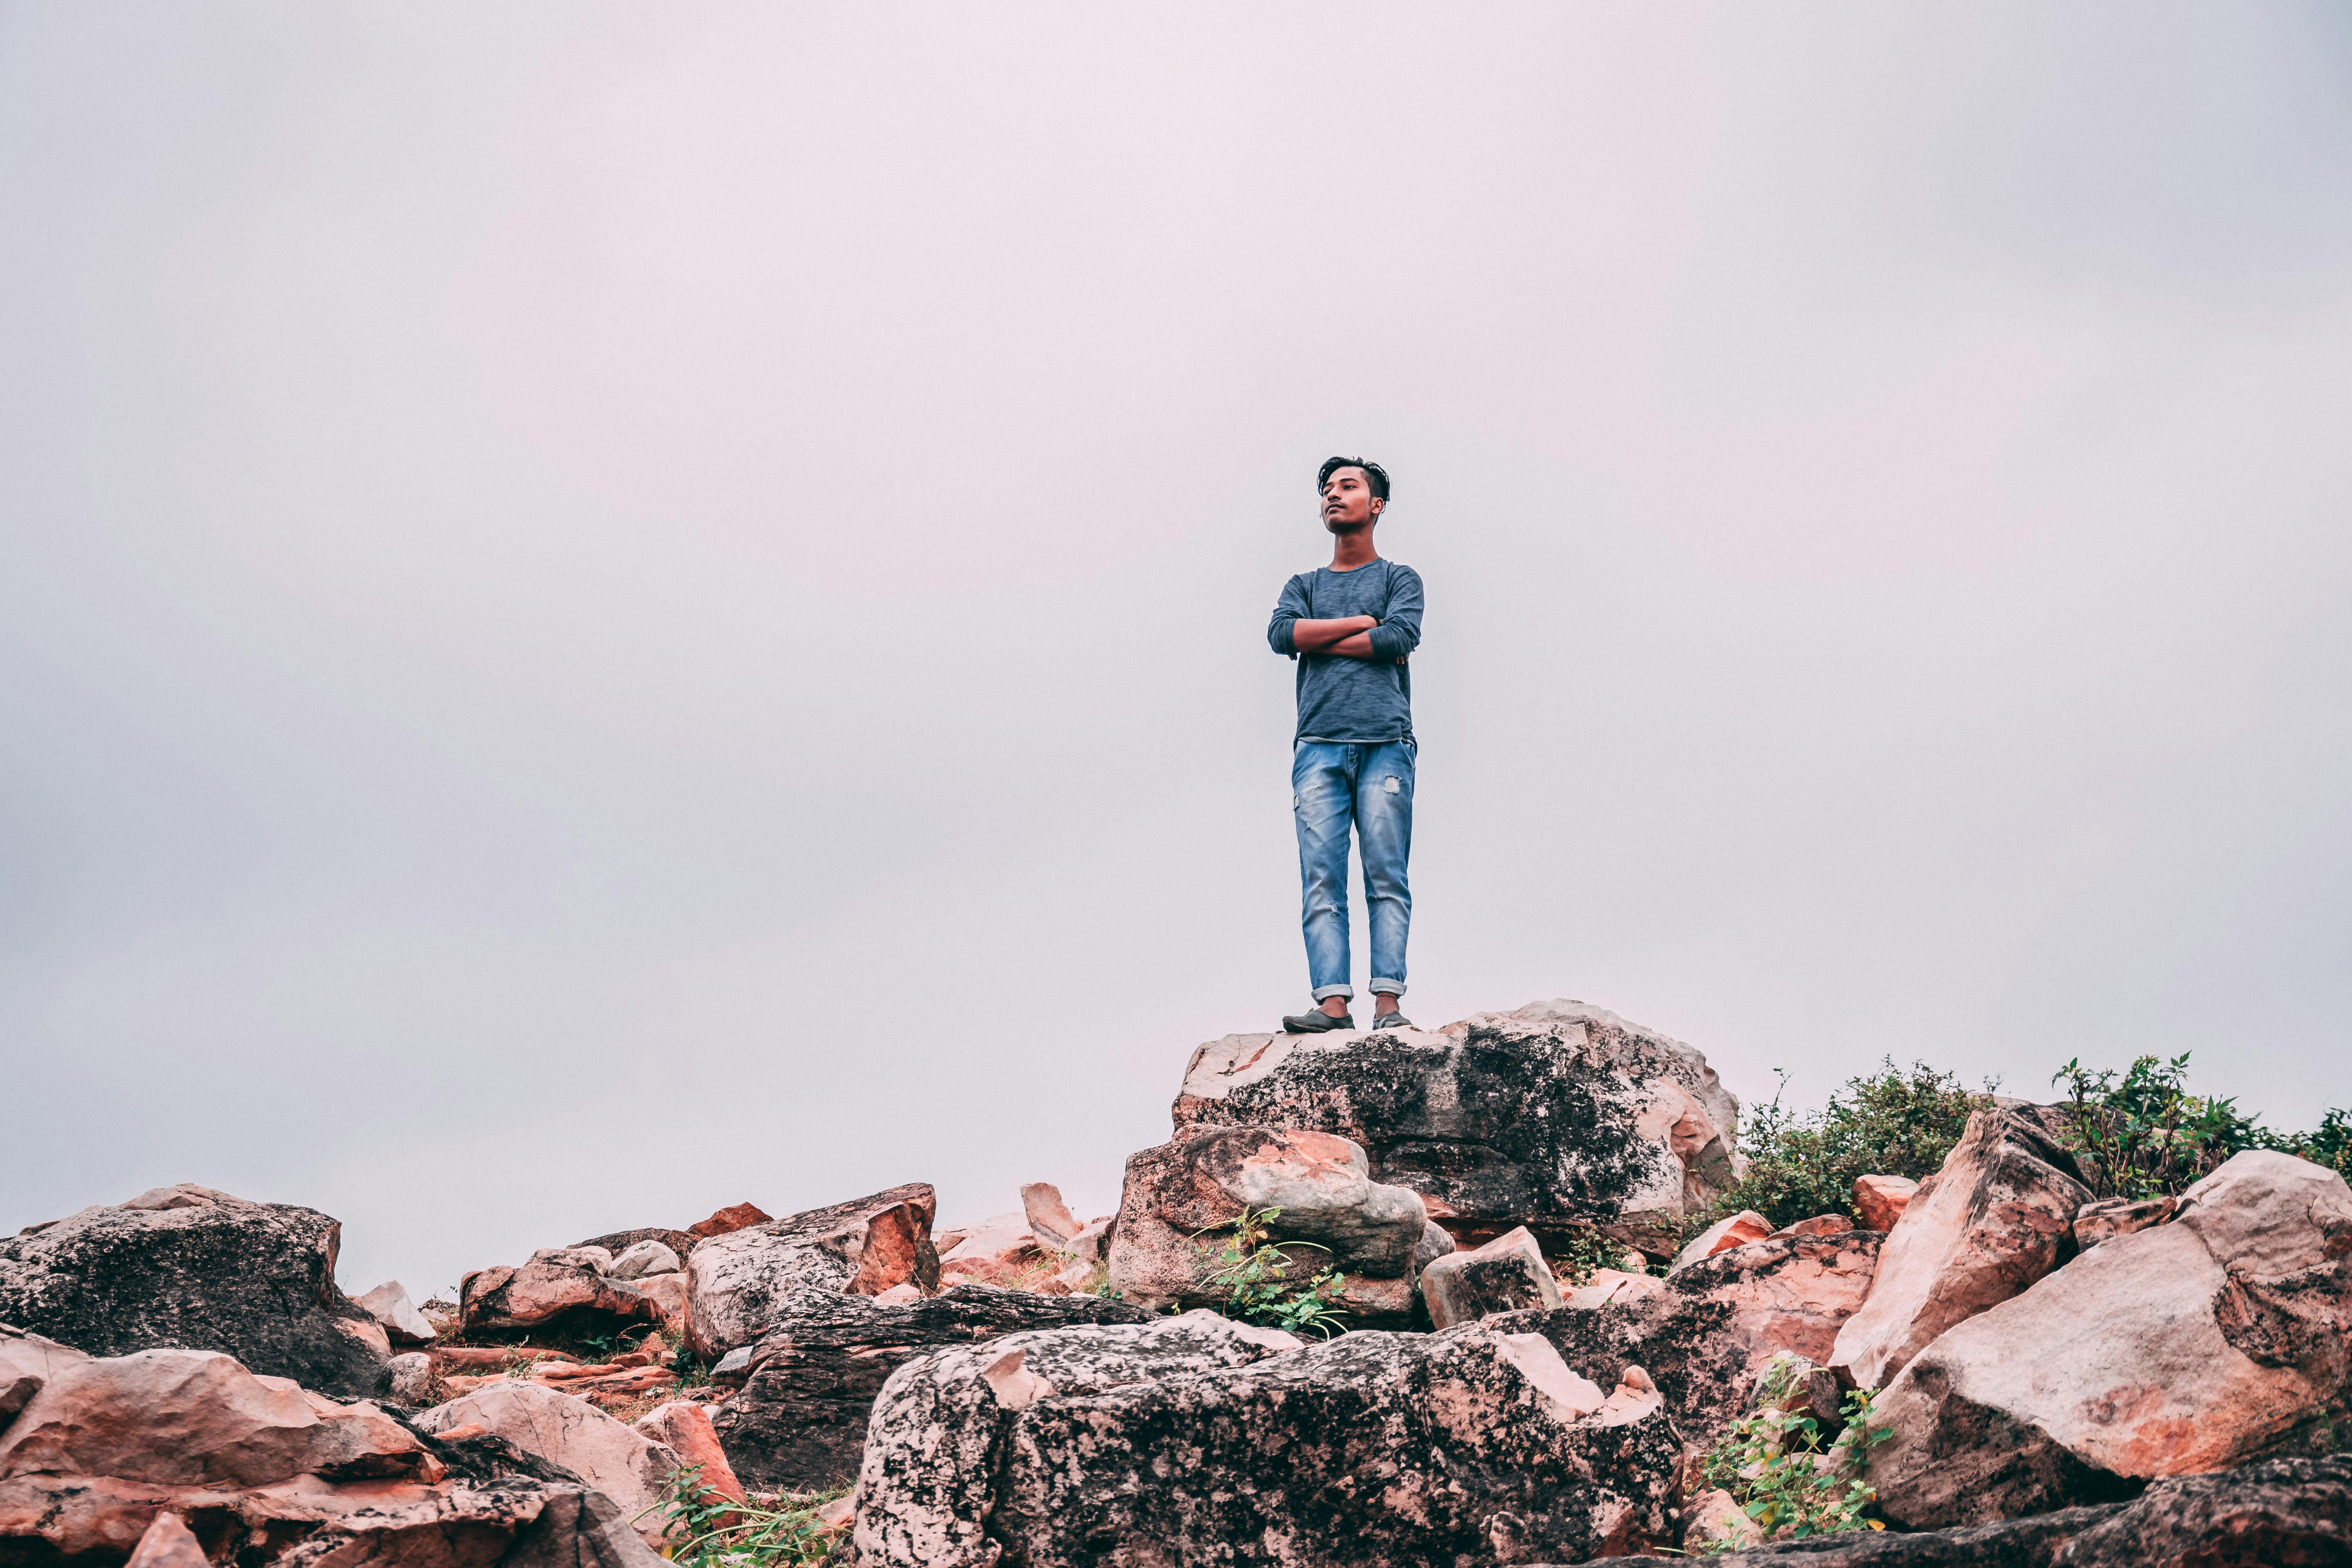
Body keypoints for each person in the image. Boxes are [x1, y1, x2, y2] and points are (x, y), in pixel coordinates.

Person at [1265, 456, 1424, 1033]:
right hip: (1318, 746)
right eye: (1328, 489)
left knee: (1386, 876)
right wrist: (1362, 623)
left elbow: (1399, 637)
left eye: (1348, 486)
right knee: (1322, 879)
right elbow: (1281, 634)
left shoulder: (1400, 579)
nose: (1333, 495)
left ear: (1375, 505)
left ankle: (1388, 1006)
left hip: (1385, 743)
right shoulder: (1304, 585)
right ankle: (1332, 1006)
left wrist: (1316, 639)